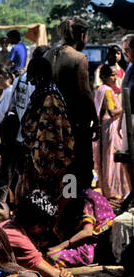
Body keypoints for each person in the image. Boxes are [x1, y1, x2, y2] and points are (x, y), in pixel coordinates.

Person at [0, 191, 112, 277]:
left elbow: (48, 271)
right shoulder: (18, 238)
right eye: (44, 226)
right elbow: (53, 274)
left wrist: (58, 273)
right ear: (38, 225)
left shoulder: (9, 225)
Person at [14, 50, 74, 201]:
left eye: (32, 76)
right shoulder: (42, 94)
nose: (30, 80)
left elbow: (48, 136)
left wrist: (38, 163)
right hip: (37, 160)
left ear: (39, 75)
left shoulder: (50, 98)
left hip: (47, 164)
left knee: (47, 201)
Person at [50, 18, 97, 192]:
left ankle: (64, 205)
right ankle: (77, 208)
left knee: (61, 167)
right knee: (81, 167)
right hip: (76, 123)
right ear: (82, 35)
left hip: (53, 122)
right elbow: (85, 93)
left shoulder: (48, 55)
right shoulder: (78, 58)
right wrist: (95, 119)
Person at [94, 62, 128, 203]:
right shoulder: (107, 91)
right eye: (112, 75)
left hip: (105, 128)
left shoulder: (100, 89)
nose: (114, 78)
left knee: (107, 159)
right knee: (112, 162)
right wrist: (126, 107)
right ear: (104, 77)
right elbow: (112, 111)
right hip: (110, 129)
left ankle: (108, 190)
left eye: (115, 75)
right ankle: (113, 192)